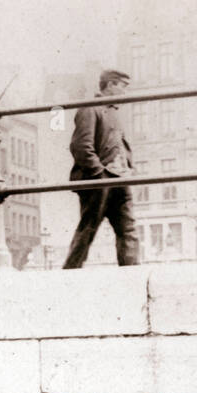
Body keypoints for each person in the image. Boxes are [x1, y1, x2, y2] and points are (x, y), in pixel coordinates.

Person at [63, 69, 139, 268]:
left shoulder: (114, 112)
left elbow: (119, 144)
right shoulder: (90, 108)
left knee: (128, 229)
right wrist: (100, 174)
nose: (125, 93)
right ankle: (67, 276)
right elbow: (81, 147)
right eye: (123, 87)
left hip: (120, 179)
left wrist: (129, 167)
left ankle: (132, 276)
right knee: (88, 229)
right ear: (111, 85)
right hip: (99, 181)